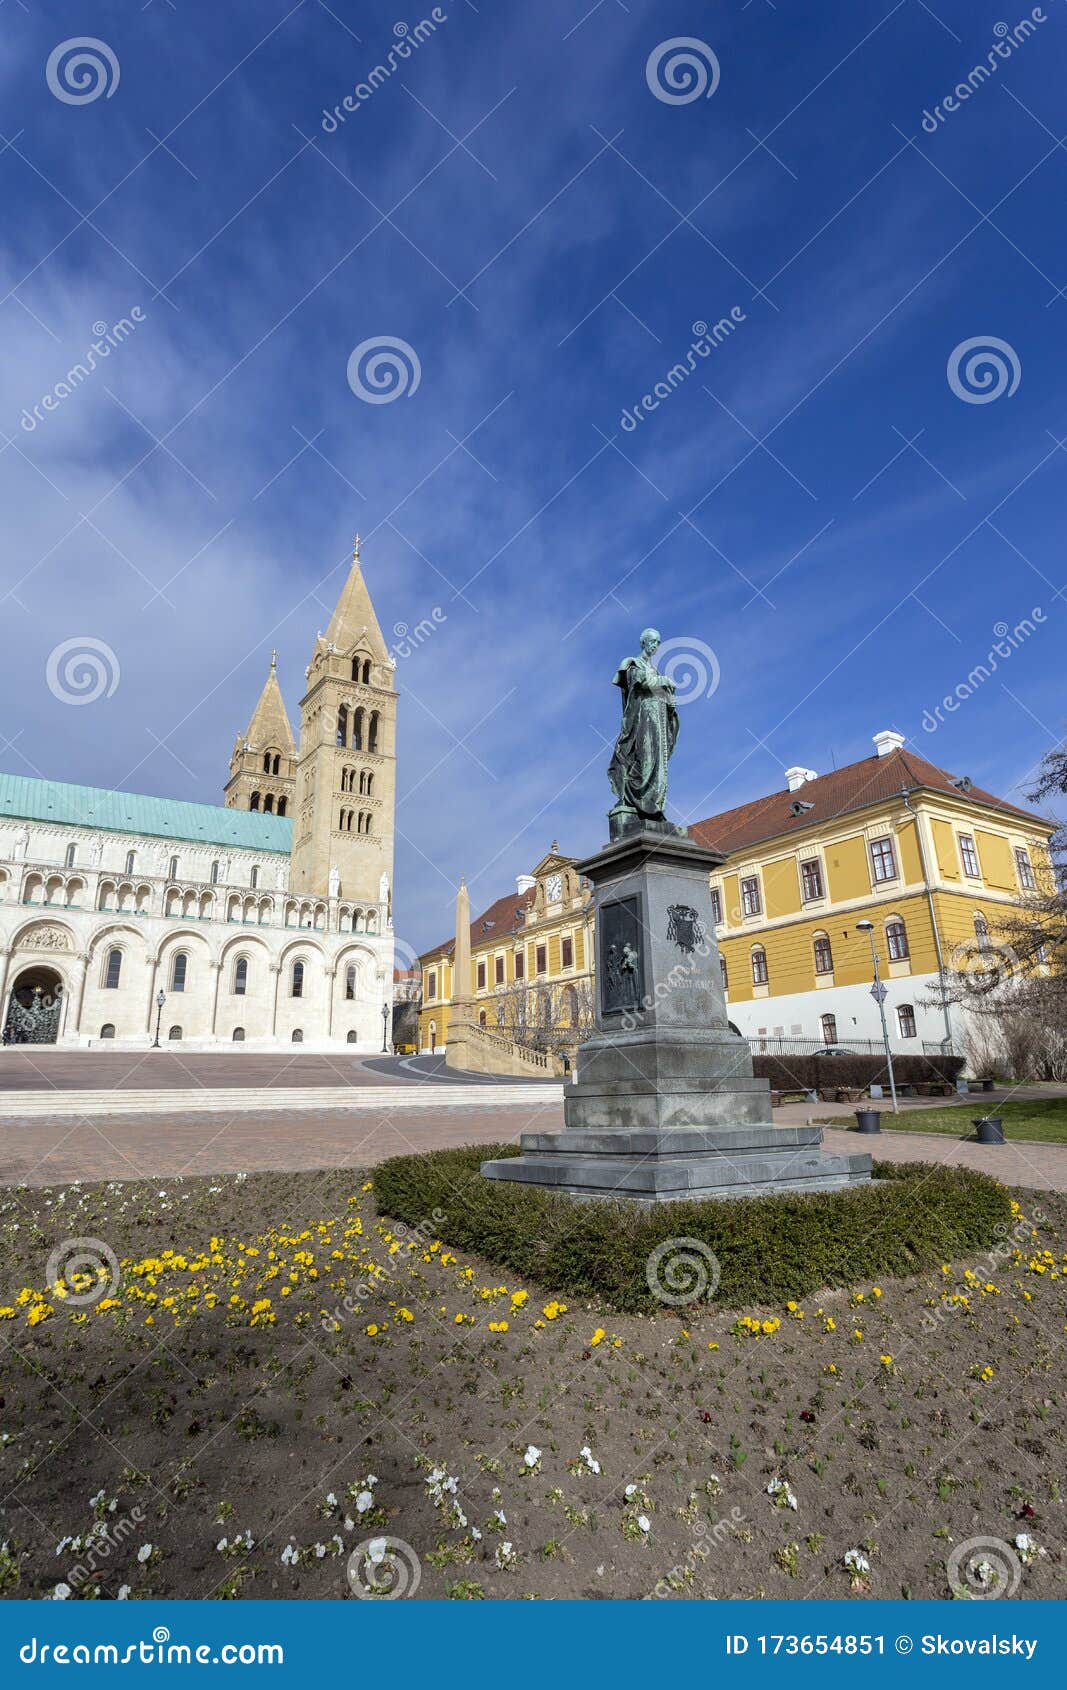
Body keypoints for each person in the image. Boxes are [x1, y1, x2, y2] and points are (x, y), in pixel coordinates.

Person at [608, 628, 680, 828]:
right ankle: (640, 801)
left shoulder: (655, 670)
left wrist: (670, 704)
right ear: (643, 643)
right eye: (653, 641)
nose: (656, 645)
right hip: (644, 719)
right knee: (646, 758)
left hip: (659, 720)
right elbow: (638, 681)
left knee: (659, 764)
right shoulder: (632, 663)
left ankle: (654, 807)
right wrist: (663, 681)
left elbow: (662, 694)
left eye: (658, 642)